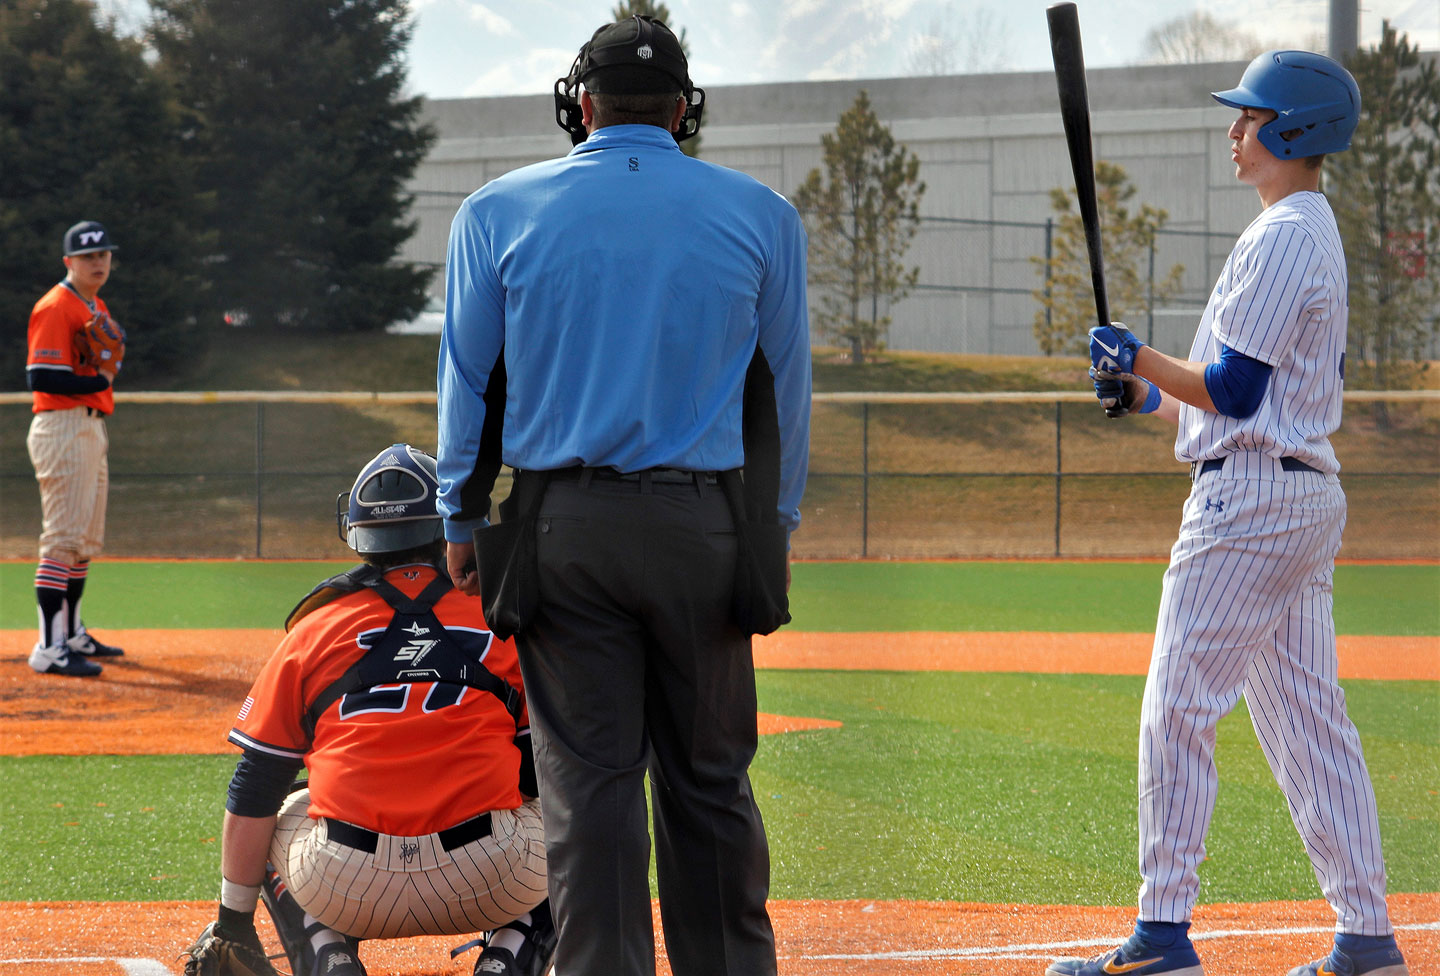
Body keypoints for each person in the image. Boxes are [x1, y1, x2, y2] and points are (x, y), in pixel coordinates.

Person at [435, 14, 811, 976]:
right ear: (683, 108)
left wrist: (461, 515)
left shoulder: (496, 212)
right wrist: (771, 531)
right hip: (705, 524)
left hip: (565, 525)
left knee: (591, 788)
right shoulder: (762, 214)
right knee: (711, 782)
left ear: (583, 104)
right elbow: (783, 392)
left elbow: (469, 382)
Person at [1049, 51, 1409, 976]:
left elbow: (1236, 391)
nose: (1234, 132)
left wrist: (1139, 352)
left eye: (1249, 118)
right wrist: (1142, 393)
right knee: (1306, 724)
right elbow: (1219, 400)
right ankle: (1366, 937)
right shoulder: (1300, 227)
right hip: (1292, 491)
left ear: (1292, 130)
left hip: (1250, 501)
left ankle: (1162, 936)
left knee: (1177, 708)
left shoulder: (1286, 232)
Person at [181, 444, 555, 976]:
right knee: (577, 808)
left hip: (344, 881)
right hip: (491, 875)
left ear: (358, 531)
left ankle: (327, 957)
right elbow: (541, 768)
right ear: (448, 526)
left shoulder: (312, 630)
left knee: (277, 800)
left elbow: (252, 783)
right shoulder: (500, 615)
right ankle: (508, 959)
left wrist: (232, 923)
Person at [24, 220, 128, 677]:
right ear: (69, 262)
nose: (98, 262)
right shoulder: (55, 306)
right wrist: (99, 379)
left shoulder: (94, 303)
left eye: (103, 254)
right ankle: (48, 647)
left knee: (84, 543)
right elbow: (40, 377)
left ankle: (70, 632)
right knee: (63, 541)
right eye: (88, 257)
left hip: (88, 426)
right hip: (62, 426)